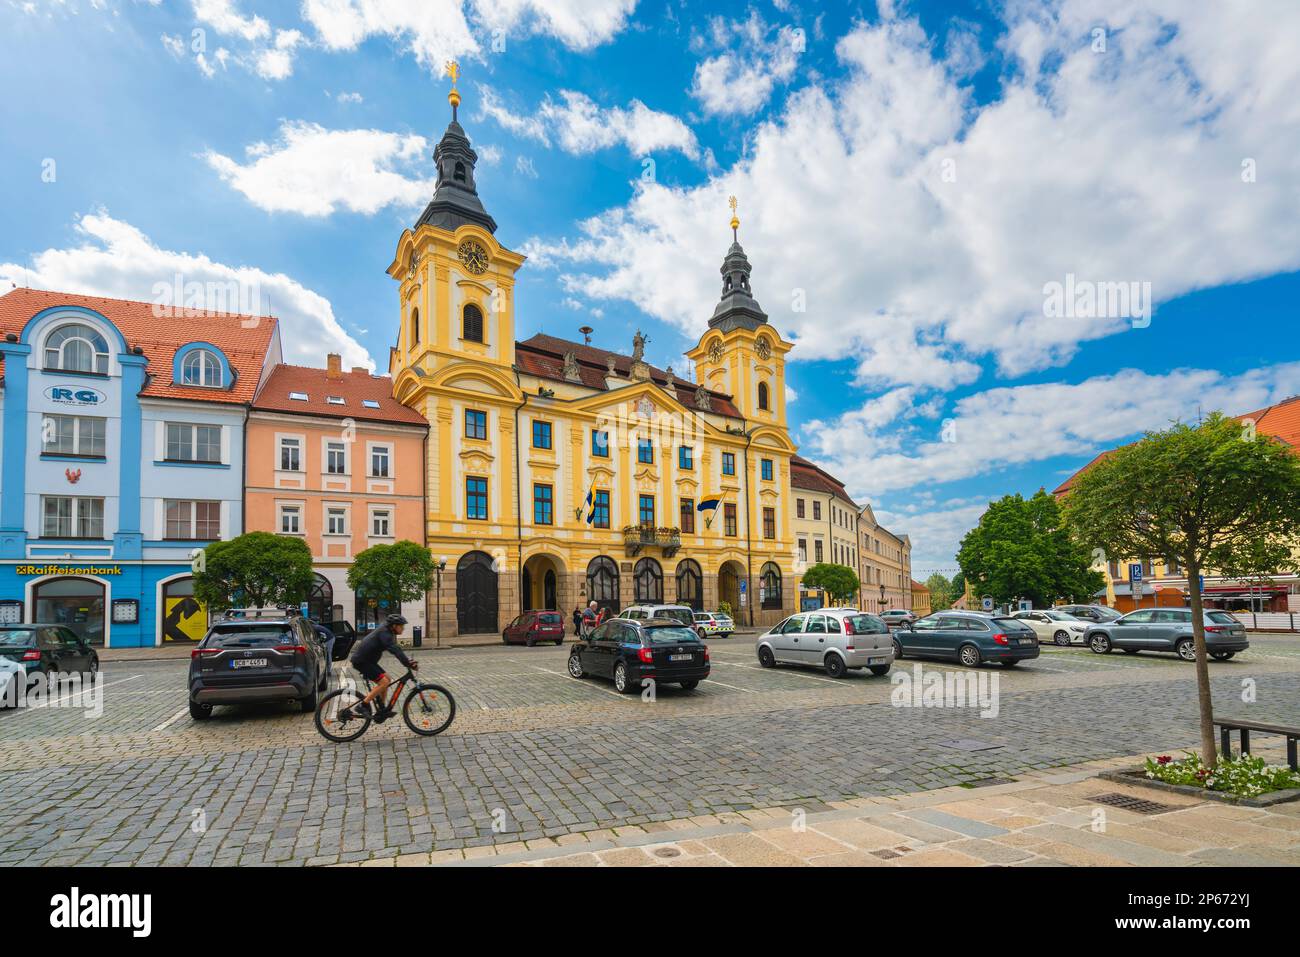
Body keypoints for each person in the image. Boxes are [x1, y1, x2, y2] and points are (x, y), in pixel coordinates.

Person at [342, 614, 416, 718]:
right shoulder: (384, 633)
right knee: (384, 682)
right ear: (394, 626)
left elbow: (396, 649)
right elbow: (394, 649)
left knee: (387, 679)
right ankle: (363, 705)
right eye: (401, 626)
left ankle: (382, 709)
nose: (403, 629)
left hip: (369, 661)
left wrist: (407, 661)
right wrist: (407, 663)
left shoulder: (387, 631)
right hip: (362, 661)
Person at [310, 619, 335, 684]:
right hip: (330, 637)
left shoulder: (313, 628)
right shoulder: (316, 626)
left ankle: (328, 671)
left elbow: (315, 637)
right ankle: (327, 669)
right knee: (327, 654)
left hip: (329, 639)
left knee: (328, 654)